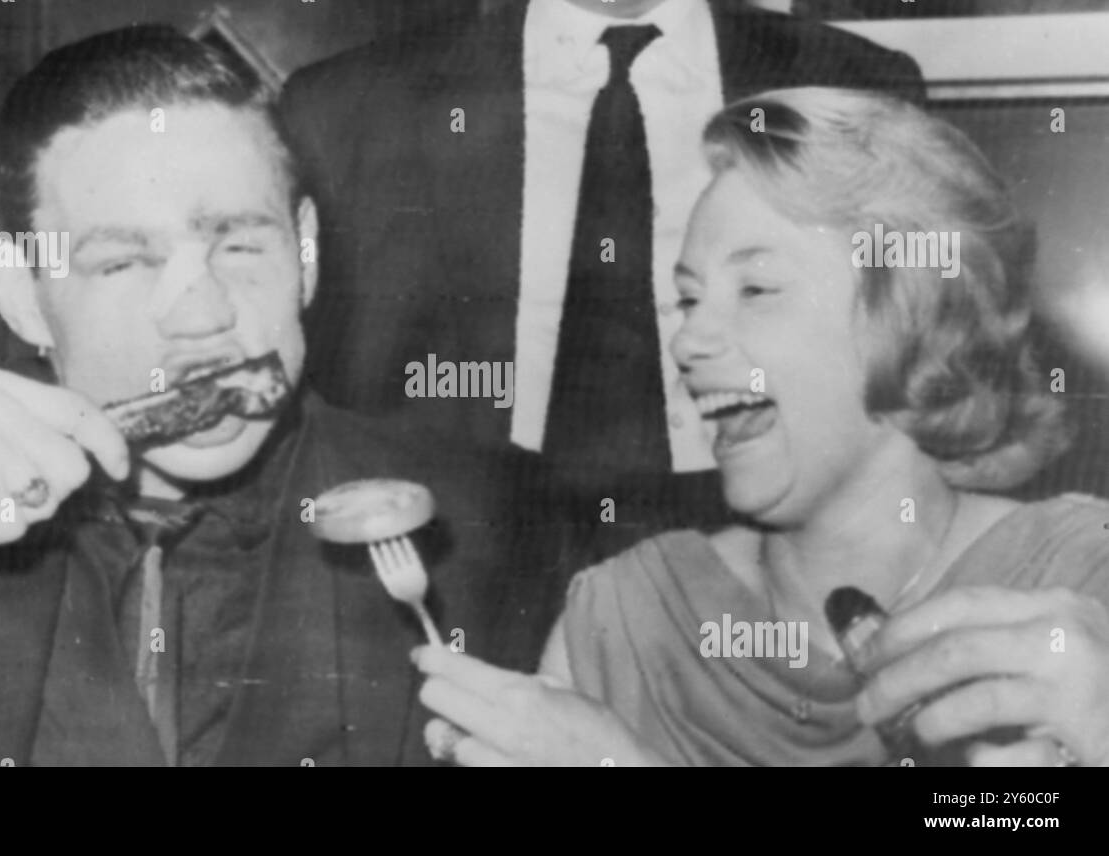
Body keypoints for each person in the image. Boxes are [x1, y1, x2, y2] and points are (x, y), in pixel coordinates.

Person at [0, 25, 567, 766]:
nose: (204, 314)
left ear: (305, 254)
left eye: (239, 245)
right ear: (22, 292)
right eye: (124, 263)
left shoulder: (484, 523)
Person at [411, 87, 1109, 767]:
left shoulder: (1081, 585)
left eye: (755, 289)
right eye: (687, 298)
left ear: (911, 312)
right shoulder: (625, 623)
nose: (687, 341)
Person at [282, 0, 925, 556]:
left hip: (759, 568)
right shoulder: (347, 110)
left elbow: (916, 368)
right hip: (454, 573)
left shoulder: (857, 89)